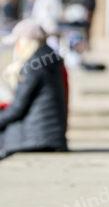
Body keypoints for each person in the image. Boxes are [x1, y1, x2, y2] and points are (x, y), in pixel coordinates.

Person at [0, 20, 68, 160]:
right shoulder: (47, 57)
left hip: (38, 137)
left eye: (17, 42)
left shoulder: (33, 66)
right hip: (48, 135)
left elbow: (18, 108)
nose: (15, 47)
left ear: (26, 42)